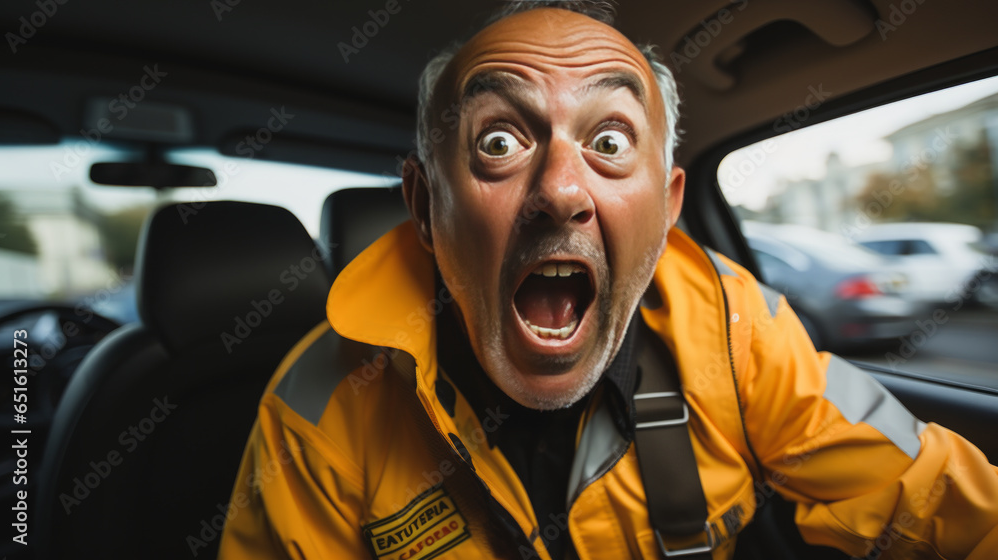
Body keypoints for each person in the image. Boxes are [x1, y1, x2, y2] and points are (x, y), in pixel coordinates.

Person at [218, 2, 998, 559]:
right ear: (426, 207)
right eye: (499, 141)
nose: (561, 191)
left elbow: (932, 499)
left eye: (611, 142)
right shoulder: (319, 406)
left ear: (668, 209)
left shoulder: (738, 329)